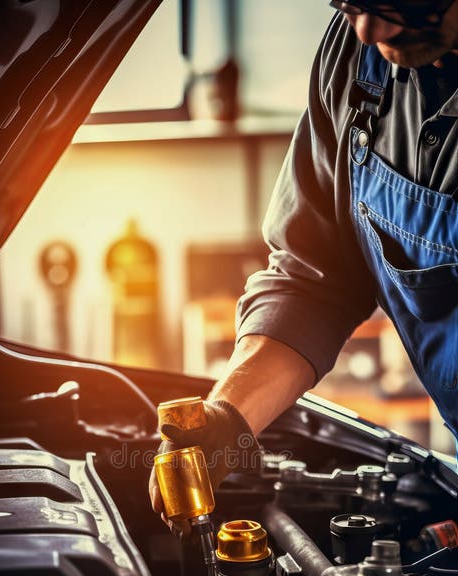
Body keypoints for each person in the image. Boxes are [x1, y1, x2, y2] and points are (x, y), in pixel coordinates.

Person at [150, 1, 458, 524]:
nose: (370, 29)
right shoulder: (356, 54)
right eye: (350, 3)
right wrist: (228, 418)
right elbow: (315, 277)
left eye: (402, 2)